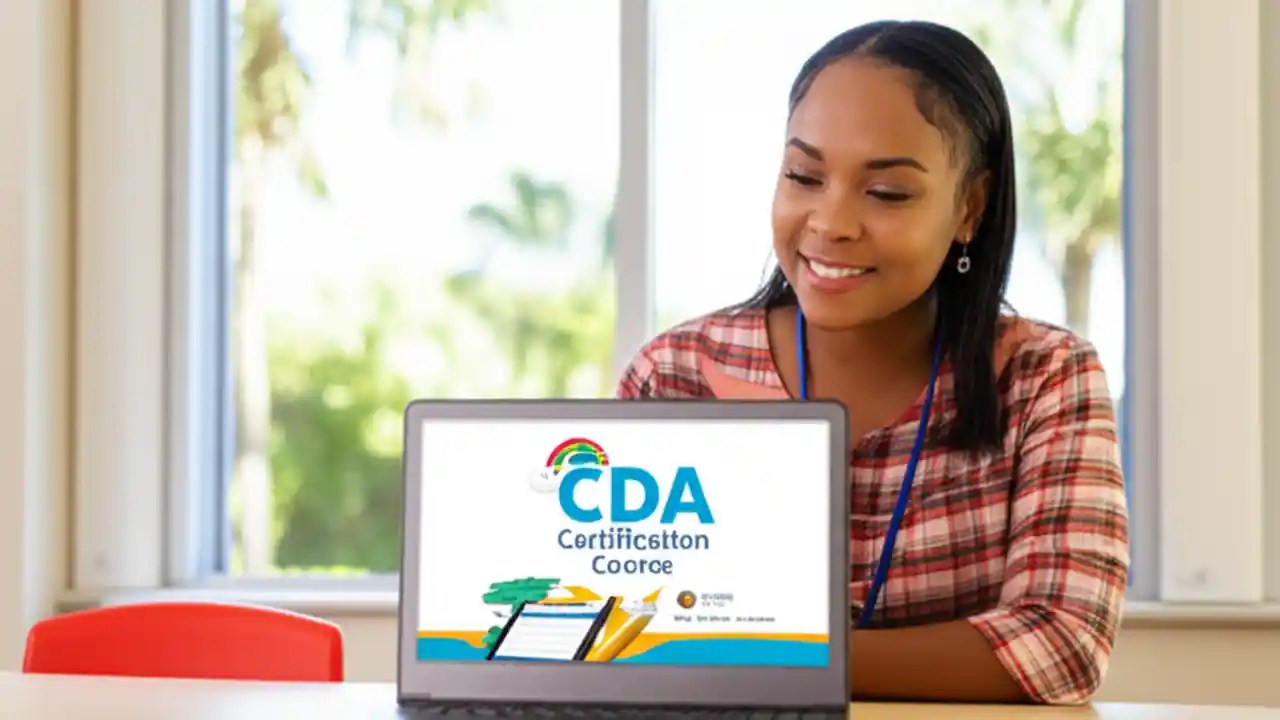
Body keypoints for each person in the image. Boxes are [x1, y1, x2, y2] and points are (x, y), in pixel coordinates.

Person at [615, 20, 1129, 706]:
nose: (831, 223)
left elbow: (1063, 645)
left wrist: (762, 657)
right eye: (803, 176)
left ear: (969, 209)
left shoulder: (1044, 378)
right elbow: (622, 633)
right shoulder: (675, 375)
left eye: (886, 193)